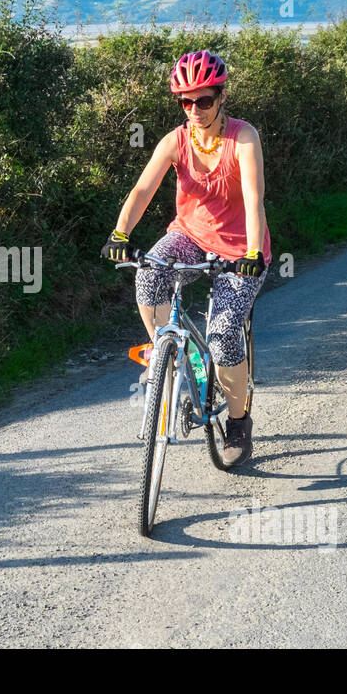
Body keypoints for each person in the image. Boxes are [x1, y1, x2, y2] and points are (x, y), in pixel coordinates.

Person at [100, 49, 272, 467]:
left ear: (222, 96)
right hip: (189, 235)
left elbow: (254, 198)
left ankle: (237, 422)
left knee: (224, 335)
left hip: (240, 248)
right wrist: (120, 233)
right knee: (148, 275)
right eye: (186, 101)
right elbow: (143, 190)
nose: (194, 109)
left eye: (204, 100)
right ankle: (164, 352)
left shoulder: (243, 138)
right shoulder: (175, 141)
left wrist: (251, 252)